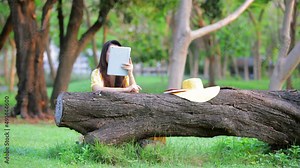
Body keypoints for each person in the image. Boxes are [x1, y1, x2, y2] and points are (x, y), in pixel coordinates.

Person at [91, 40, 166, 145]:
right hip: (104, 111)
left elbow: (135, 93)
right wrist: (125, 90)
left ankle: (155, 145)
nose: (114, 55)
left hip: (121, 109)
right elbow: (97, 89)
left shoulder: (123, 74)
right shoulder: (97, 72)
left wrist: (130, 73)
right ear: (104, 54)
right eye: (111, 51)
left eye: (118, 52)